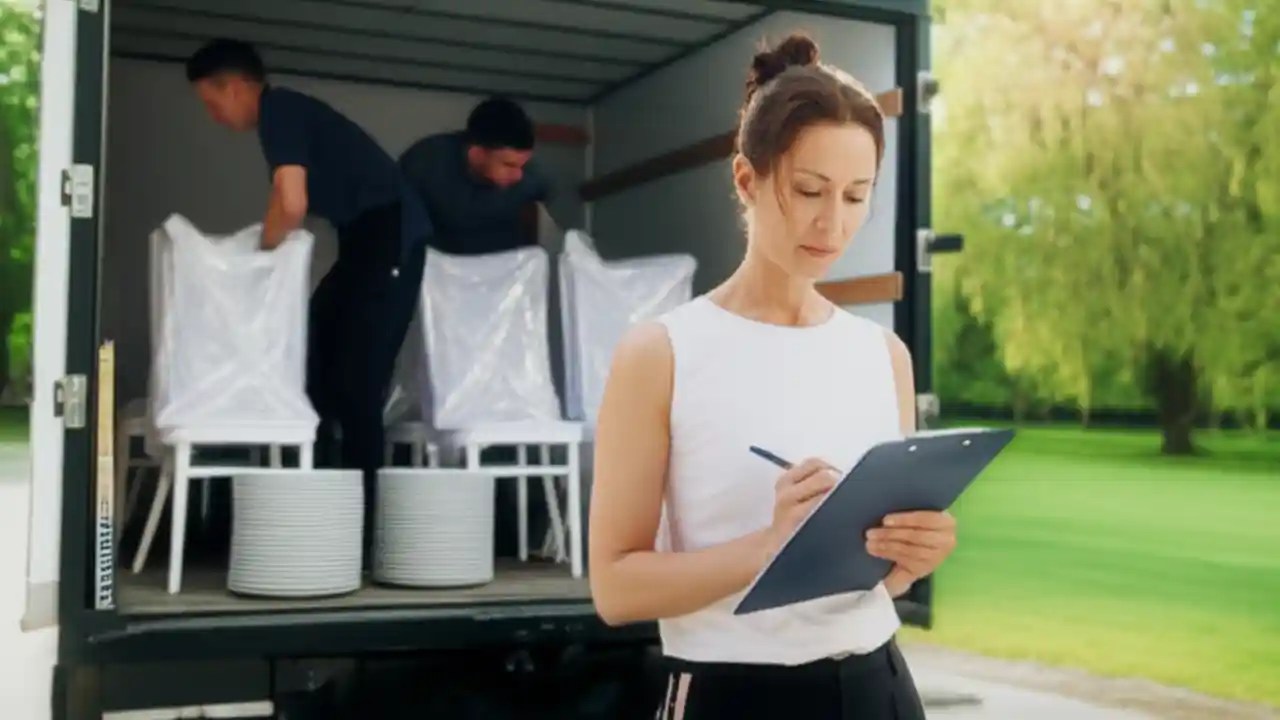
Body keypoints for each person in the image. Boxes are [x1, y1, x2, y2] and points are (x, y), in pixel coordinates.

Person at [587, 33, 955, 719]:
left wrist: (913, 555)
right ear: (746, 180)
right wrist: (767, 548)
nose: (832, 222)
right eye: (809, 190)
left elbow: (879, 582)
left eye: (855, 196)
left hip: (879, 690)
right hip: (733, 695)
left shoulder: (884, 354)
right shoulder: (661, 353)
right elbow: (615, 588)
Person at [184, 39, 432, 532]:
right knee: (313, 362)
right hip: (363, 244)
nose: (215, 117)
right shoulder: (285, 116)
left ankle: (362, 532)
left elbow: (290, 203)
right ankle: (319, 509)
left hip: (392, 238)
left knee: (358, 385)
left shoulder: (280, 112)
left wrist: (259, 263)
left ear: (235, 88)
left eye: (213, 104)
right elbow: (290, 210)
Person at [398, 96, 557, 255]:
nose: (518, 176)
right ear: (477, 154)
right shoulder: (425, 163)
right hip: (433, 268)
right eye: (508, 165)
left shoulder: (533, 178)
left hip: (502, 270)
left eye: (522, 165)